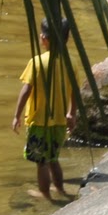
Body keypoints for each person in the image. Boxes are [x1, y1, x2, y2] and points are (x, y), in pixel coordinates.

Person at [13, 18, 77, 200]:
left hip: (38, 120)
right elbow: (75, 91)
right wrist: (72, 114)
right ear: (67, 38)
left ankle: (45, 194)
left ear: (44, 38)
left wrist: (16, 116)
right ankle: (61, 189)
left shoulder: (36, 62)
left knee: (41, 161)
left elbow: (26, 90)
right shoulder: (71, 61)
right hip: (59, 120)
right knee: (54, 158)